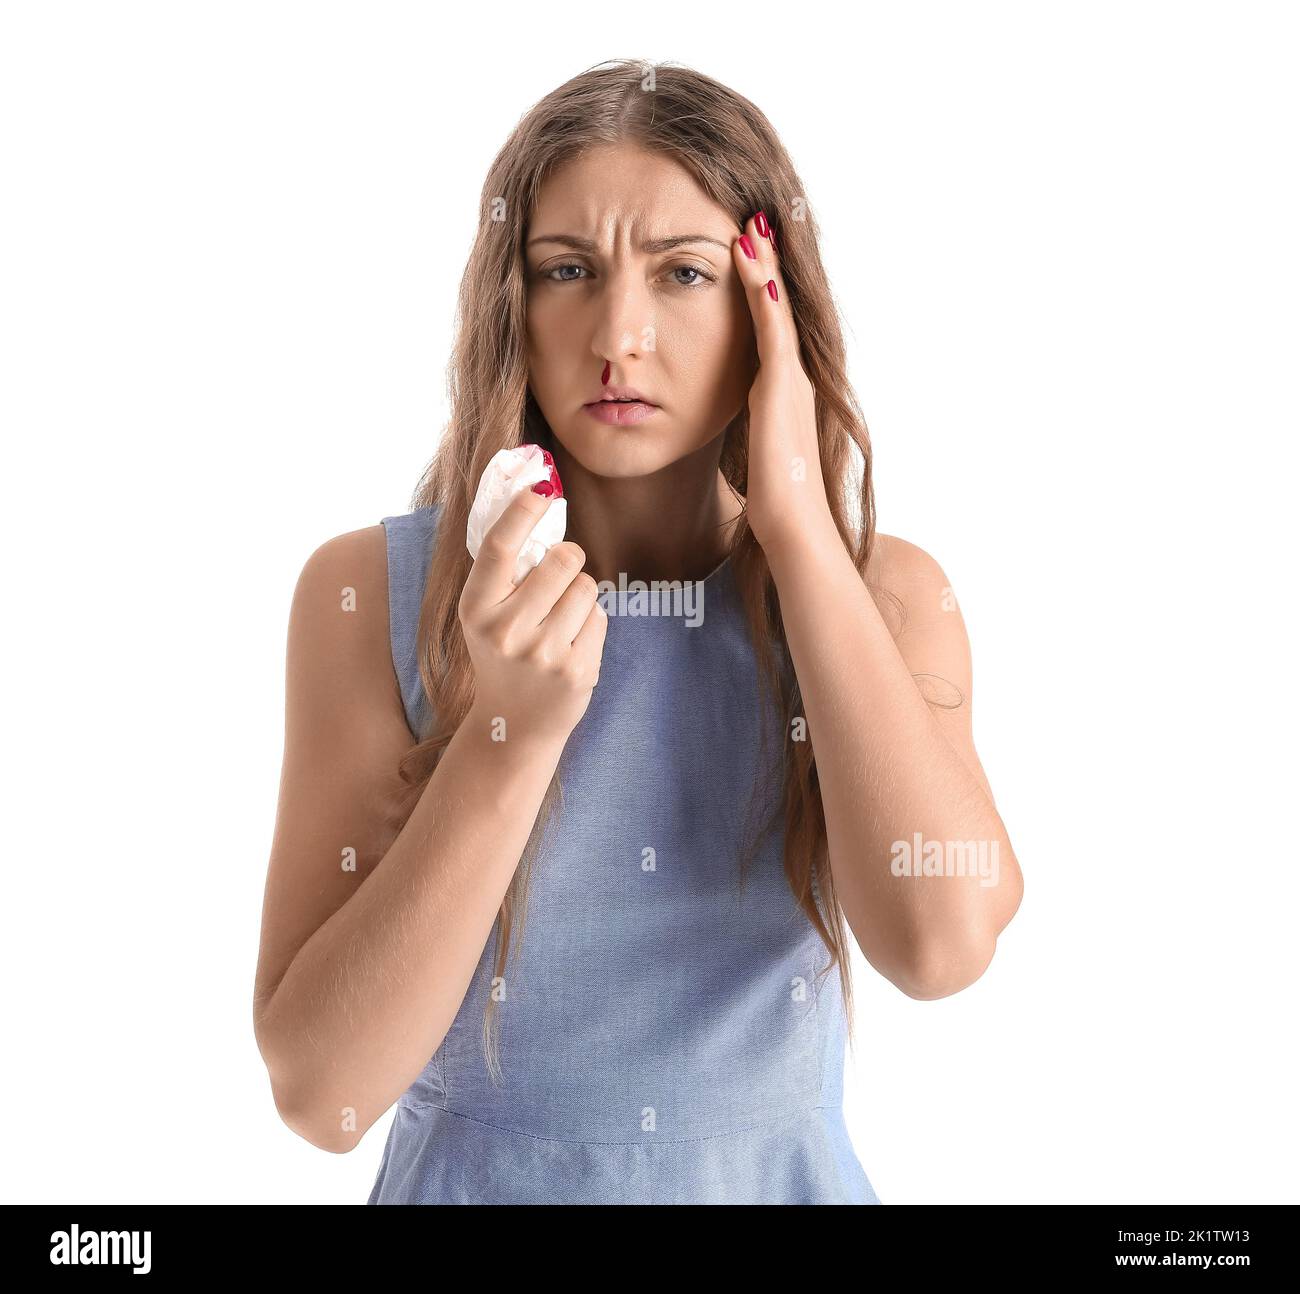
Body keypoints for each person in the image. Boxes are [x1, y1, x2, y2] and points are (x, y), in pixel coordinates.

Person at [252, 58, 1023, 1205]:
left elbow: (940, 943)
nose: (620, 335)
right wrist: (508, 733)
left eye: (683, 274)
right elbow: (324, 1093)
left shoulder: (886, 594)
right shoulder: (371, 591)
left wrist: (804, 537)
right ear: (512, 303)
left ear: (771, 311)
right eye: (567, 270)